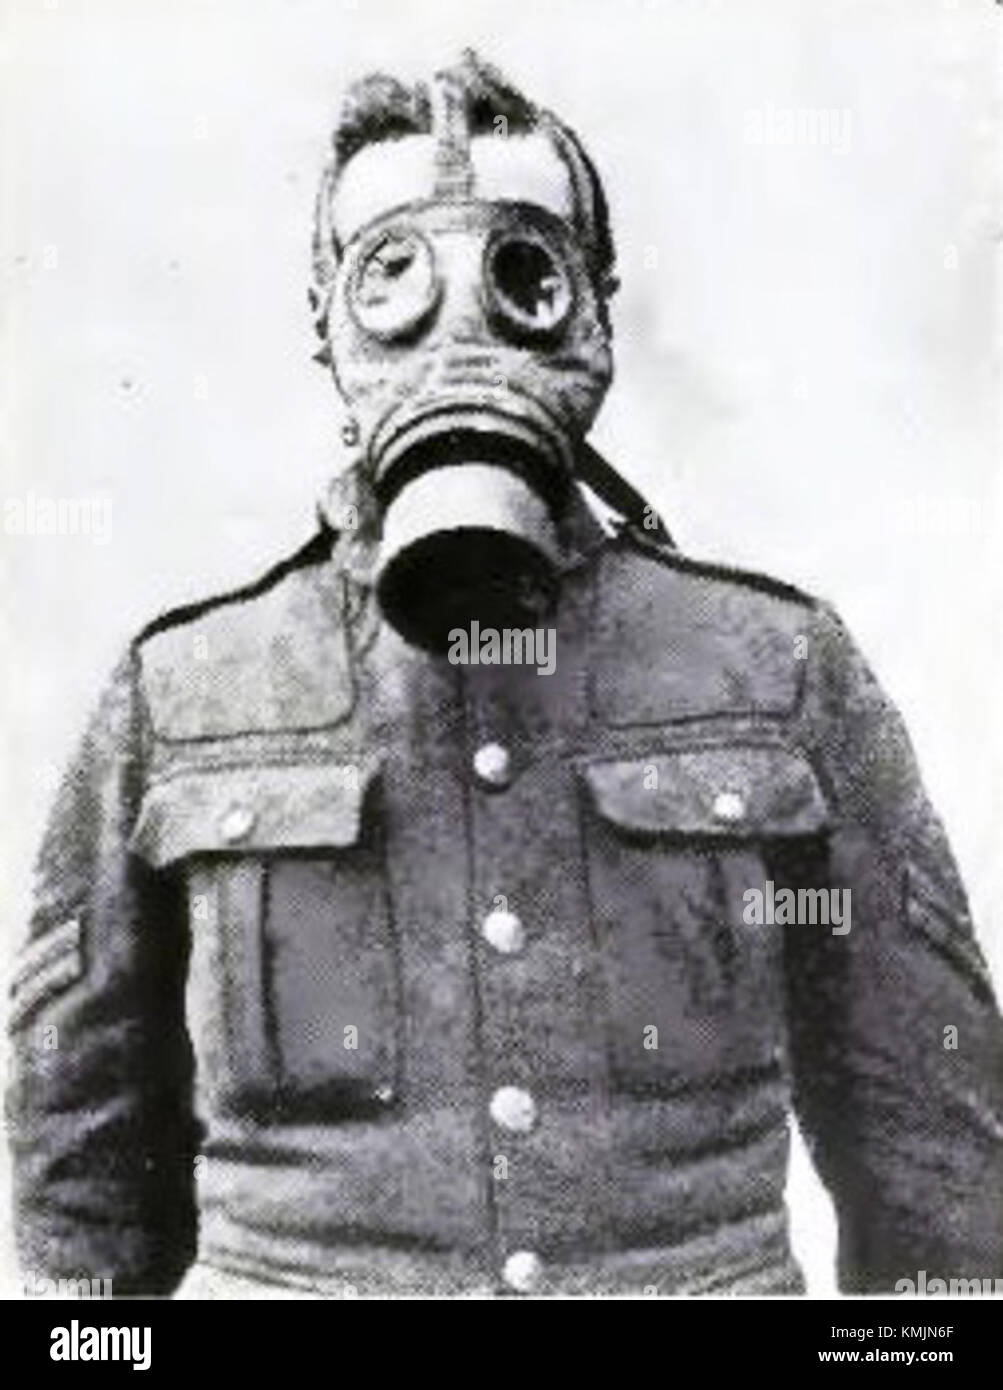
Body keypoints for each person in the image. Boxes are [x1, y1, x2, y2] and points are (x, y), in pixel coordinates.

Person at [7, 51, 1001, 1298]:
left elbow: (928, 1144)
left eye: (523, 275)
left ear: (593, 309)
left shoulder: (773, 669)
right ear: (325, 323)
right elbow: (79, 1193)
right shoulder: (188, 692)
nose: (459, 333)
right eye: (394, 283)